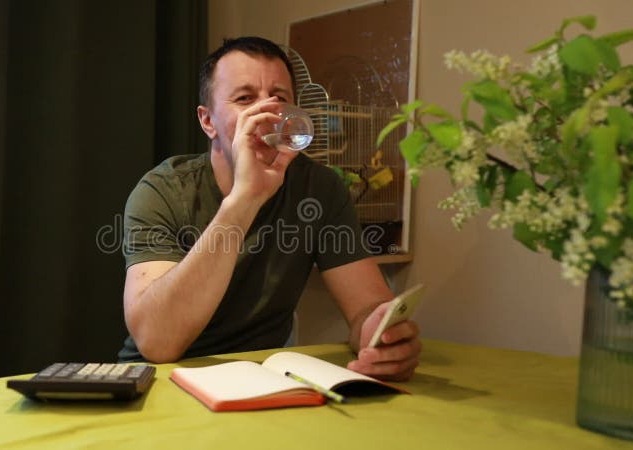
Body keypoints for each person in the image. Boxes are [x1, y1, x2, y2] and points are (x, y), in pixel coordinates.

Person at [118, 36, 421, 381]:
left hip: (258, 383)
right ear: (208, 122)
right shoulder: (163, 189)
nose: (267, 112)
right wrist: (245, 199)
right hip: (158, 382)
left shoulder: (318, 188)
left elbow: (366, 307)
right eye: (244, 98)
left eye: (280, 98)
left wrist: (381, 338)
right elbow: (157, 342)